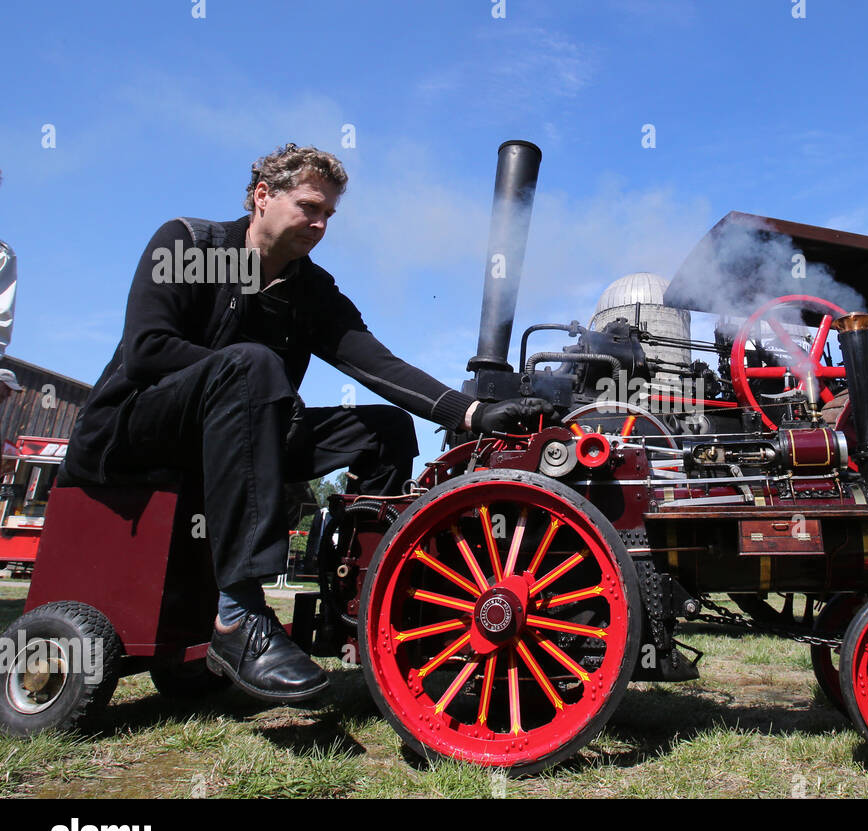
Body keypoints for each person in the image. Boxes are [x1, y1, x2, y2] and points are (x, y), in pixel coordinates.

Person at [62, 144, 553, 702]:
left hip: (245, 433)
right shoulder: (193, 245)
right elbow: (148, 350)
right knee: (253, 365)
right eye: (309, 207)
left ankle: (372, 601)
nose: (320, 225)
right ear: (262, 196)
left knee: (384, 428)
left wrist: (474, 413)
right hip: (133, 434)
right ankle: (237, 617)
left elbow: (378, 363)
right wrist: (255, 381)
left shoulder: (308, 288)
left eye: (329, 215)